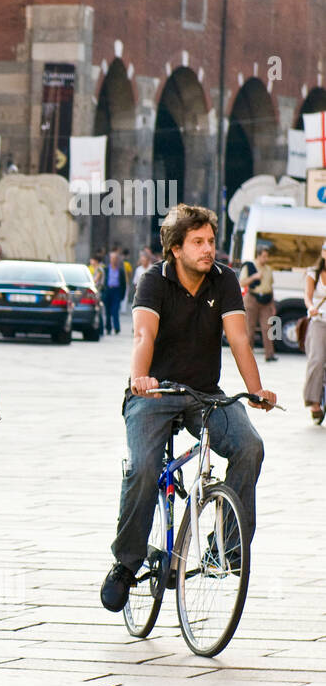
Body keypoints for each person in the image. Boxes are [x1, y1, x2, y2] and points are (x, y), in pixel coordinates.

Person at [100, 204, 275, 613]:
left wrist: (256, 390)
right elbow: (143, 334)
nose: (208, 249)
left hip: (204, 392)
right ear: (175, 248)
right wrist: (140, 379)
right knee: (143, 468)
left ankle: (229, 547)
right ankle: (125, 565)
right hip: (154, 393)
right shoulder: (153, 281)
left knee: (250, 446)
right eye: (198, 242)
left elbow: (238, 339)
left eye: (211, 241)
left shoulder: (224, 280)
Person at [239, 245, 277, 364]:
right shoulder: (250, 266)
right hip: (252, 299)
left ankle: (269, 354)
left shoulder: (268, 269)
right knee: (250, 328)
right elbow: (242, 282)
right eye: (264, 256)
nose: (266, 259)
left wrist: (272, 304)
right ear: (258, 255)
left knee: (268, 328)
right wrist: (254, 277)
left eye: (267, 257)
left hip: (265, 300)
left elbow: (270, 287)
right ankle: (248, 354)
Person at [301, 243, 326, 424]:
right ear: (323, 253)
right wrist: (311, 308)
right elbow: (308, 297)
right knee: (317, 360)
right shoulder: (314, 273)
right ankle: (314, 402)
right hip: (319, 321)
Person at [103, 249, 127, 335]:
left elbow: (123, 283)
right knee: (108, 311)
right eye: (111, 258)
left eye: (115, 258)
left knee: (115, 310)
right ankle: (108, 328)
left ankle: (117, 328)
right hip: (108, 290)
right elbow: (103, 281)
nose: (113, 259)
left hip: (116, 291)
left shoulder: (120, 270)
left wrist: (122, 295)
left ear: (117, 259)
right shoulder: (106, 269)